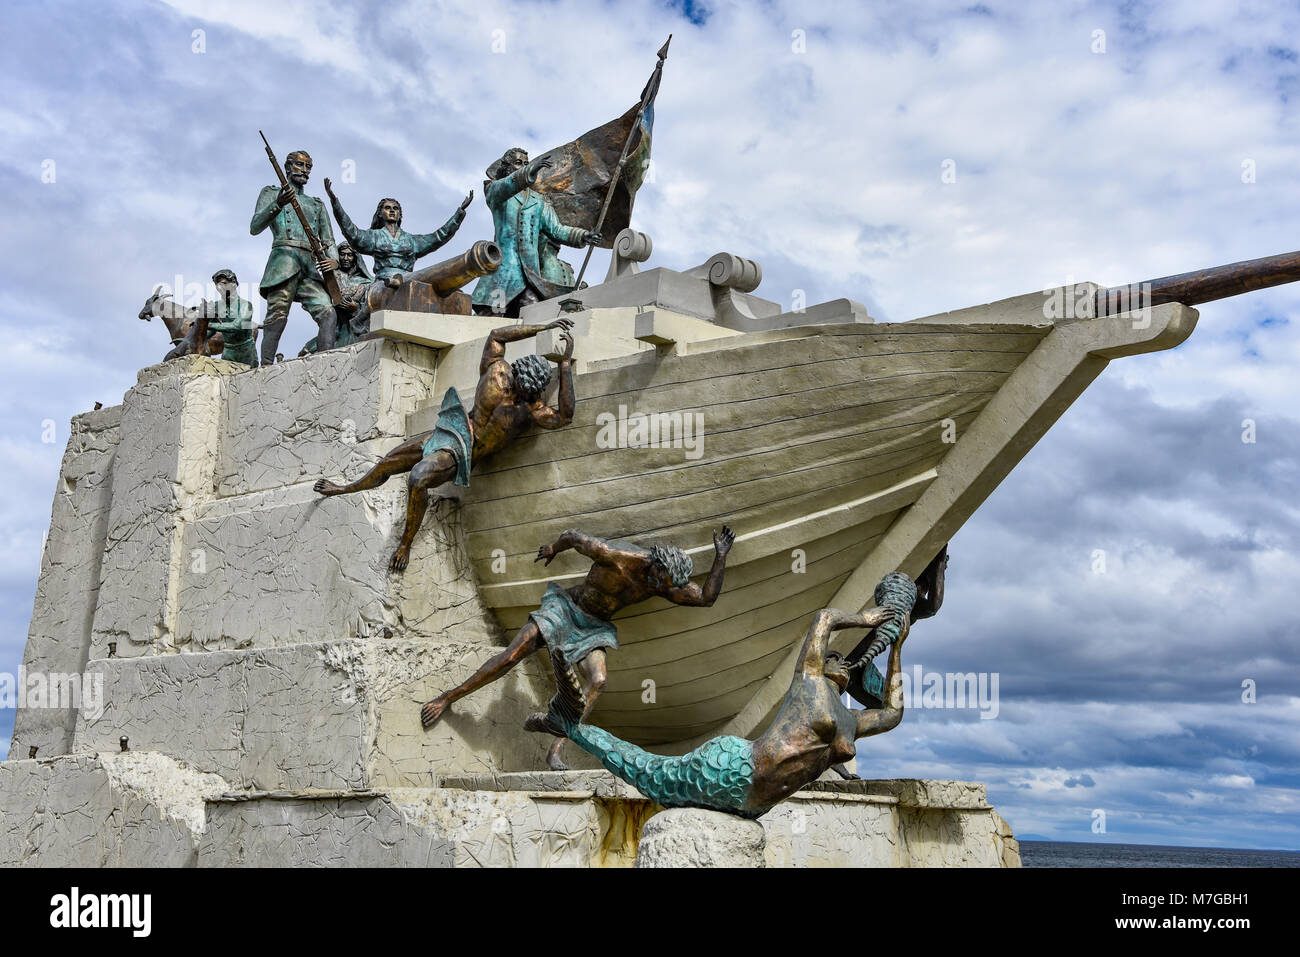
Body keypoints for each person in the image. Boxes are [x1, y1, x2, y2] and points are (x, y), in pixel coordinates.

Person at [540, 573, 922, 818]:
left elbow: (892, 712)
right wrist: (869, 618)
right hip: (733, 769)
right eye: (834, 657)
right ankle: (568, 726)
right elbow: (824, 618)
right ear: (824, 666)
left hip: (753, 803)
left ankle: (565, 723)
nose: (842, 664)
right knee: (649, 771)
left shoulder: (850, 721)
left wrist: (898, 647)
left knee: (651, 773)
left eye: (842, 662)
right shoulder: (810, 682)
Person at [421, 525, 736, 770]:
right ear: (655, 564)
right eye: (660, 581)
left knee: (598, 680)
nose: (660, 589)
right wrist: (553, 549)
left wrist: (720, 556)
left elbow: (706, 598)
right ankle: (447, 697)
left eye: (666, 586)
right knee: (511, 656)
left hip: (593, 628)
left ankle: (556, 748)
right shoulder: (616, 557)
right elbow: (573, 537)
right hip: (565, 610)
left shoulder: (664, 581)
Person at [314, 318, 577, 571]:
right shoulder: (496, 369)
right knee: (388, 463)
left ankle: (405, 545)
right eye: (517, 385)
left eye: (525, 392)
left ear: (533, 392)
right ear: (516, 371)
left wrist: (565, 365)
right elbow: (497, 335)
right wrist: (543, 327)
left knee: (417, 478)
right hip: (452, 429)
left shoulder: (531, 409)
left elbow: (564, 416)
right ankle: (346, 488)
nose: (517, 392)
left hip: (463, 453)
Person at [471, 147, 600, 317]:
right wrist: (529, 170)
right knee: (493, 316)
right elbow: (506, 186)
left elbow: (557, 229)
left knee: (533, 311)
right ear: (507, 168)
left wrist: (583, 235)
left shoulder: (538, 201)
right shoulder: (496, 192)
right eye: (519, 163)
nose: (524, 166)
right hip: (502, 273)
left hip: (530, 276)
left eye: (526, 163)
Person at [249, 149, 340, 364]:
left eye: (308, 167)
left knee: (328, 312)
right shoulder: (271, 192)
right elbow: (255, 226)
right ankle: (267, 364)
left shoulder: (316, 204)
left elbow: (329, 240)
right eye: (300, 165)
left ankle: (325, 361)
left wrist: (333, 260)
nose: (305, 170)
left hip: (309, 266)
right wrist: (278, 203)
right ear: (288, 167)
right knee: (277, 316)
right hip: (284, 260)